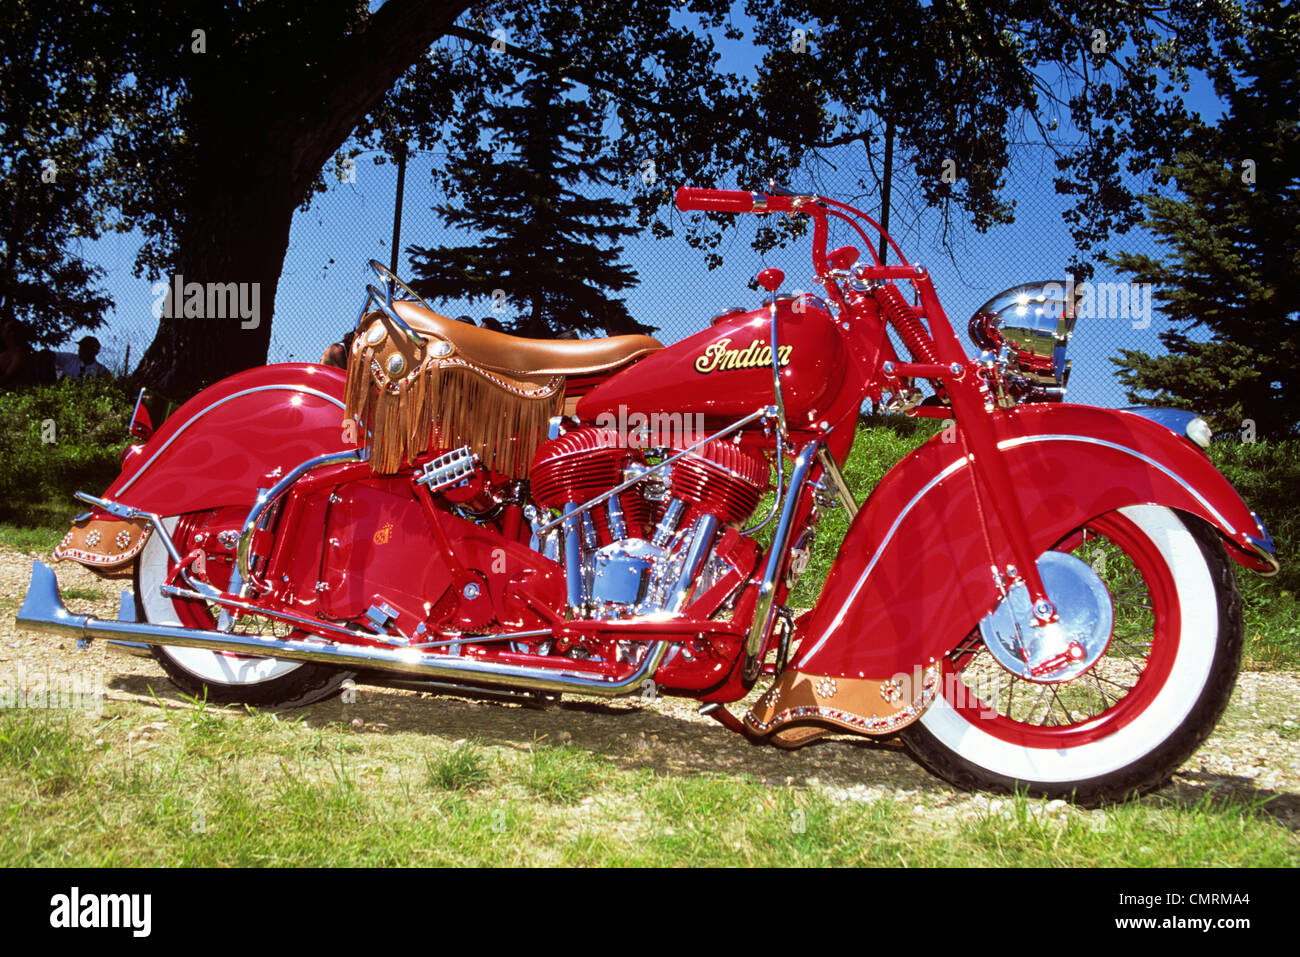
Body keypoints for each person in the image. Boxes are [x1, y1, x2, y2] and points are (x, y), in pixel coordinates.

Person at [0, 320, 38, 389]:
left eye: (4, 329)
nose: (2, 331)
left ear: (12, 333)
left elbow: (7, 377)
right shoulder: (6, 352)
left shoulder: (18, 354)